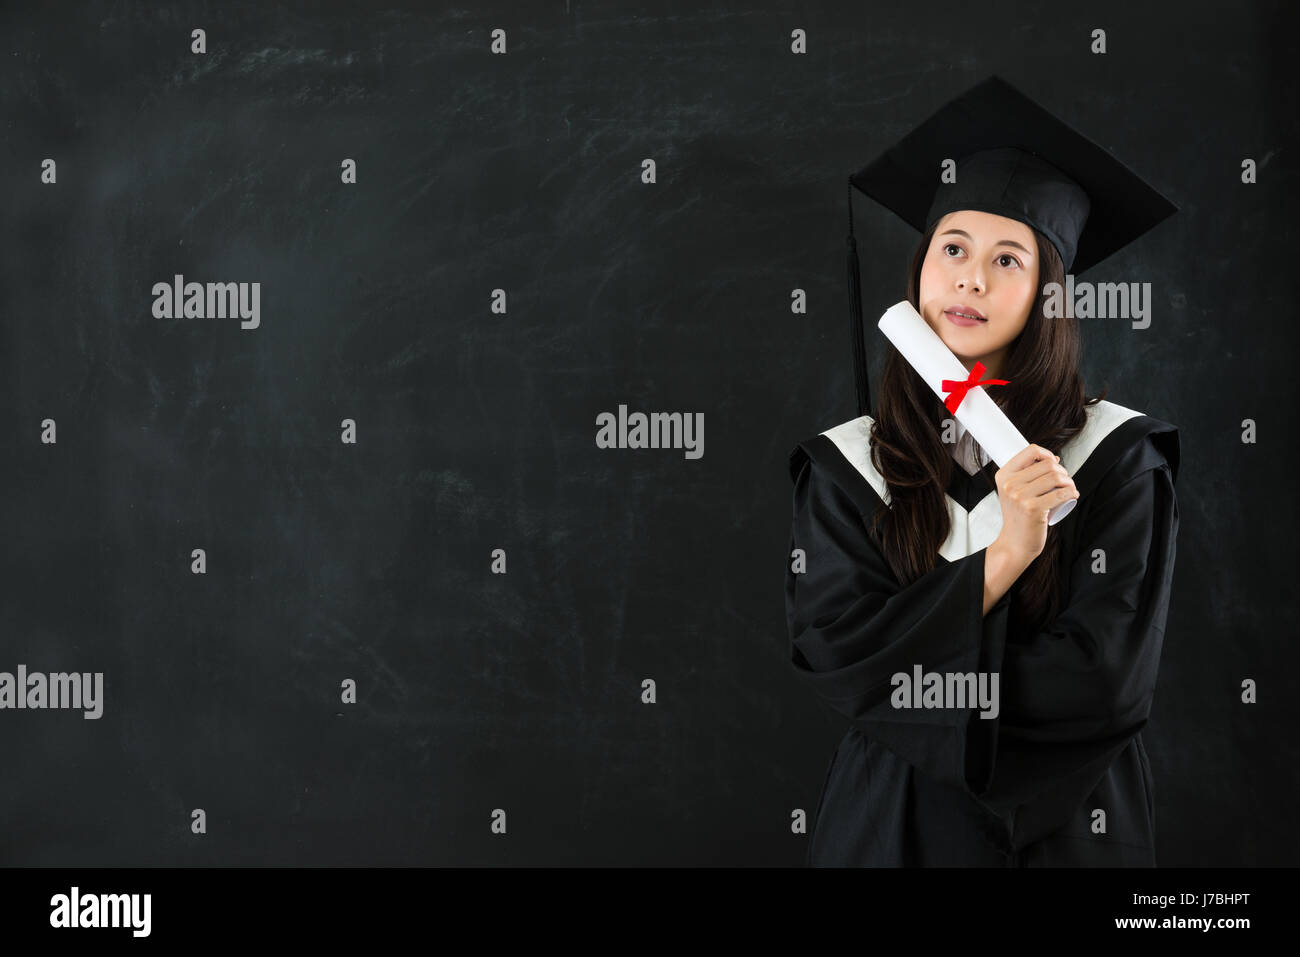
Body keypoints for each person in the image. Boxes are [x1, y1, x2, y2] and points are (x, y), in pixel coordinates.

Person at [784, 76, 1181, 866]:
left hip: (1071, 827)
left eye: (1009, 258)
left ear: (1046, 294)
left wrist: (918, 678)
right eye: (953, 247)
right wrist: (1004, 557)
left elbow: (1107, 682)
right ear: (922, 266)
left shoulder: (1118, 459)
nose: (971, 278)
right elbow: (839, 654)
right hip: (888, 829)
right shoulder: (847, 466)